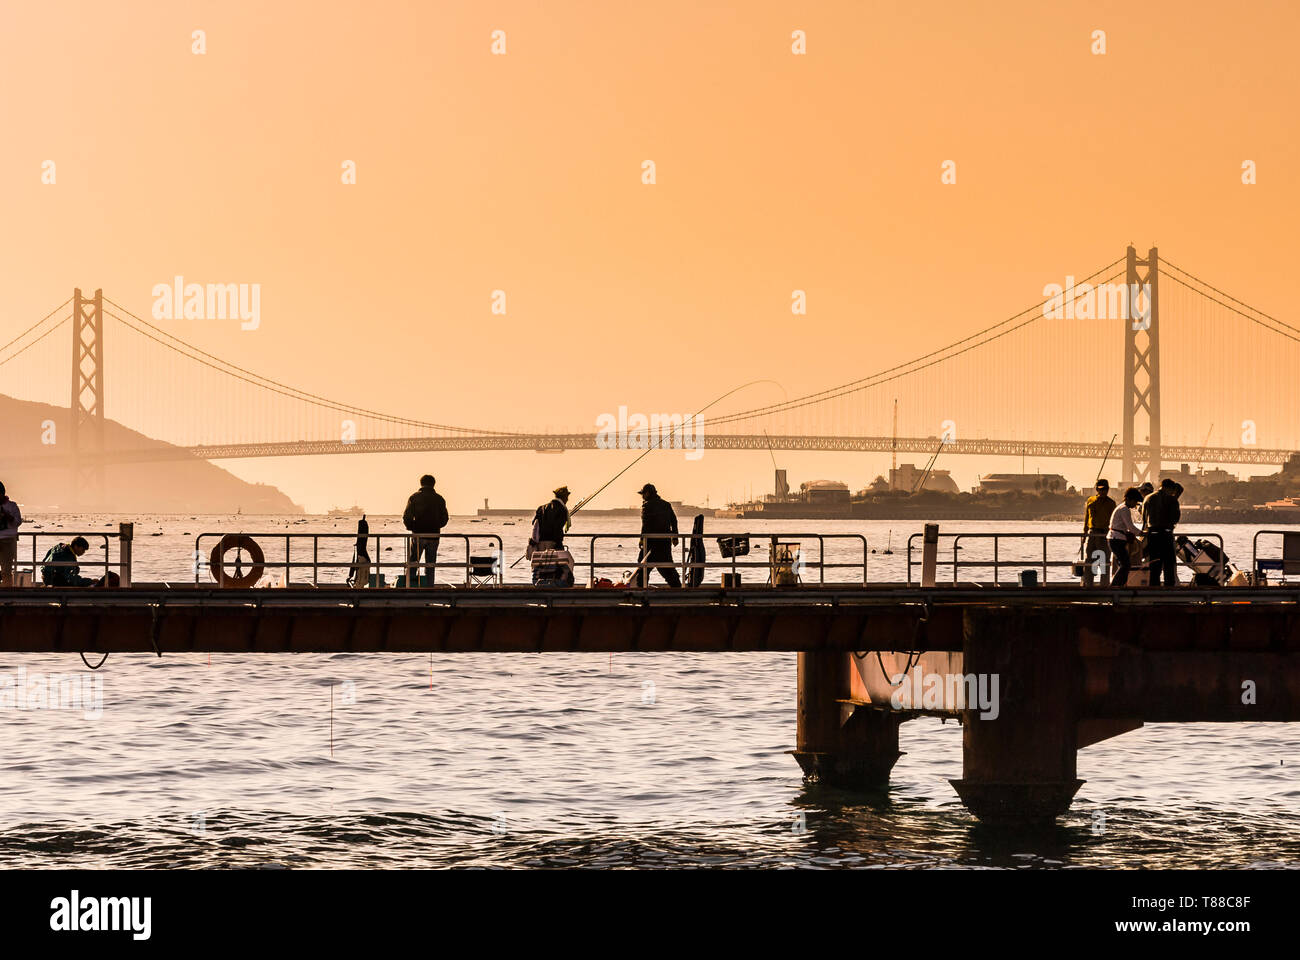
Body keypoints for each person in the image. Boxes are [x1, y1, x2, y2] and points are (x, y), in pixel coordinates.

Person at [402, 474, 448, 584]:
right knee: (430, 564)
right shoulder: (439, 499)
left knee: (413, 562)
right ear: (433, 484)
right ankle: (429, 586)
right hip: (434, 535)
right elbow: (445, 518)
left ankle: (410, 585)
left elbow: (407, 516)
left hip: (418, 535)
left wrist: (412, 527)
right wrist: (436, 526)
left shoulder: (414, 497)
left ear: (421, 483)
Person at [633, 483, 680, 587]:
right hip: (665, 543)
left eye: (643, 494)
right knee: (668, 570)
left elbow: (646, 525)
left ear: (648, 493)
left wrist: (641, 539)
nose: (642, 497)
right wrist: (675, 537)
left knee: (642, 570)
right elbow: (674, 521)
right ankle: (678, 589)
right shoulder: (666, 504)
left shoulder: (646, 506)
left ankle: (641, 592)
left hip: (650, 543)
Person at [1142, 478, 1184, 587]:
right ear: (1168, 488)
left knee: (1154, 566)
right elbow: (1175, 518)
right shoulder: (1172, 500)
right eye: (1172, 490)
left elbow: (1144, 518)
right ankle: (1168, 592)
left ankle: (1153, 590)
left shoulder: (1148, 497)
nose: (1173, 493)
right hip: (1166, 535)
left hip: (1152, 535)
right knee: (1169, 566)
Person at [1107, 487, 1143, 586]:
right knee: (1125, 565)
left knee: (1123, 564)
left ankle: (1120, 585)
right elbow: (1130, 527)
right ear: (1129, 499)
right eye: (1135, 502)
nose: (1135, 505)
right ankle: (1114, 586)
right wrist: (1141, 533)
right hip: (1116, 540)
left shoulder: (1121, 508)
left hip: (1115, 538)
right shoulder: (1124, 509)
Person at [1081, 479, 1115, 584]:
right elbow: (1087, 518)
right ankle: (1088, 584)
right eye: (1100, 489)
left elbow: (1113, 521)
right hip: (1092, 532)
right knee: (1089, 559)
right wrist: (1084, 534)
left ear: (1108, 489)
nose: (1103, 491)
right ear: (1096, 489)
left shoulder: (1111, 503)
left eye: (1105, 489)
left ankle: (1104, 584)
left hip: (1104, 533)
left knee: (1104, 560)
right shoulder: (1090, 500)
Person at [530, 486, 571, 554]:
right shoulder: (562, 509)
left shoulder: (541, 508)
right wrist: (558, 544)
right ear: (564, 497)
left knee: (541, 563)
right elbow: (557, 528)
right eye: (567, 497)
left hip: (540, 543)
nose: (567, 500)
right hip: (553, 543)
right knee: (556, 563)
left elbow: (535, 525)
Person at [0, 481, 22, 587]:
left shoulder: (12, 506)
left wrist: (8, 517)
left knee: (6, 570)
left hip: (8, 541)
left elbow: (18, 522)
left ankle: (7, 595)